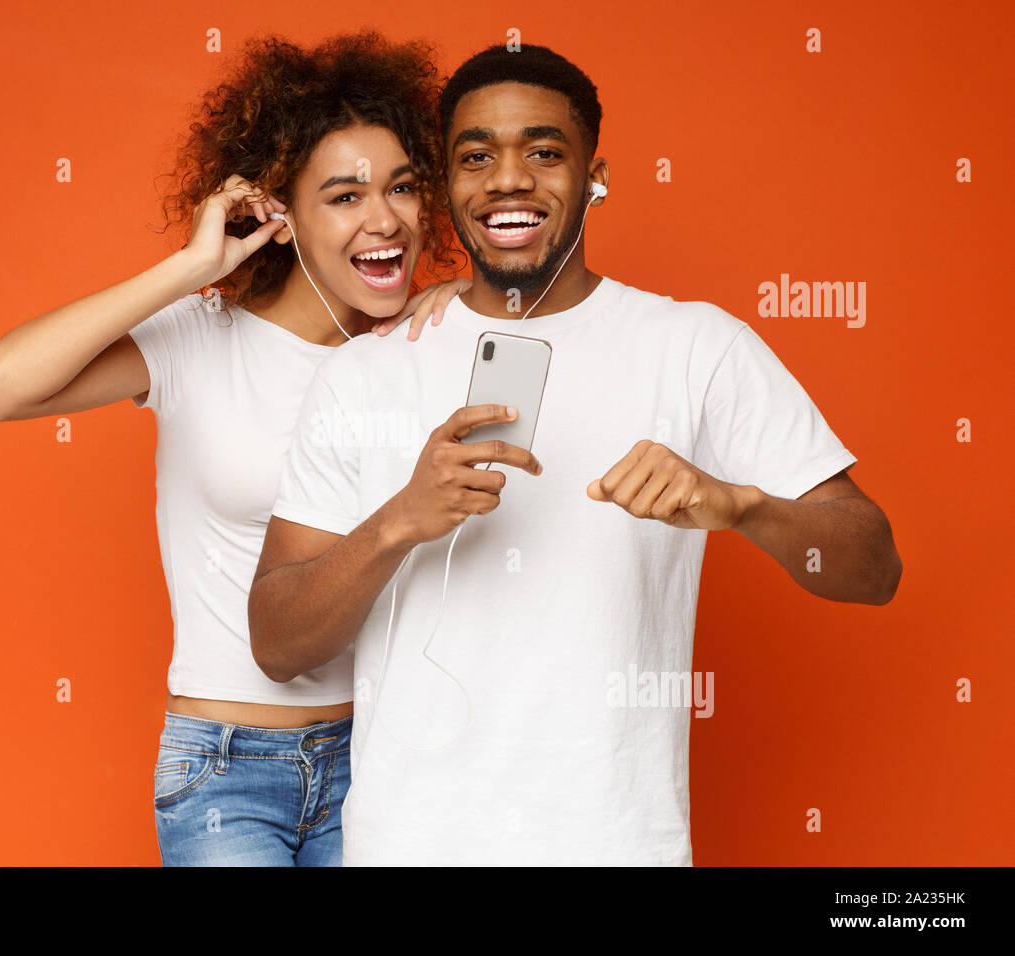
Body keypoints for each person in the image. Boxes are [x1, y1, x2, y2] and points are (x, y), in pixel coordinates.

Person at [249, 43, 903, 865]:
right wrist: (397, 523)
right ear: (447, 184)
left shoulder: (696, 347)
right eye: (476, 157)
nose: (508, 179)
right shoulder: (366, 373)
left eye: (544, 153)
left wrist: (740, 505)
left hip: (616, 843)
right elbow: (278, 645)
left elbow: (874, 568)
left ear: (596, 177)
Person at [0, 31, 466, 866]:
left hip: (383, 760)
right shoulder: (202, 337)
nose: (385, 220)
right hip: (228, 769)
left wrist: (470, 306)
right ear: (281, 216)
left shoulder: (426, 348)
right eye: (345, 196)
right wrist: (192, 266)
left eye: (403, 188)